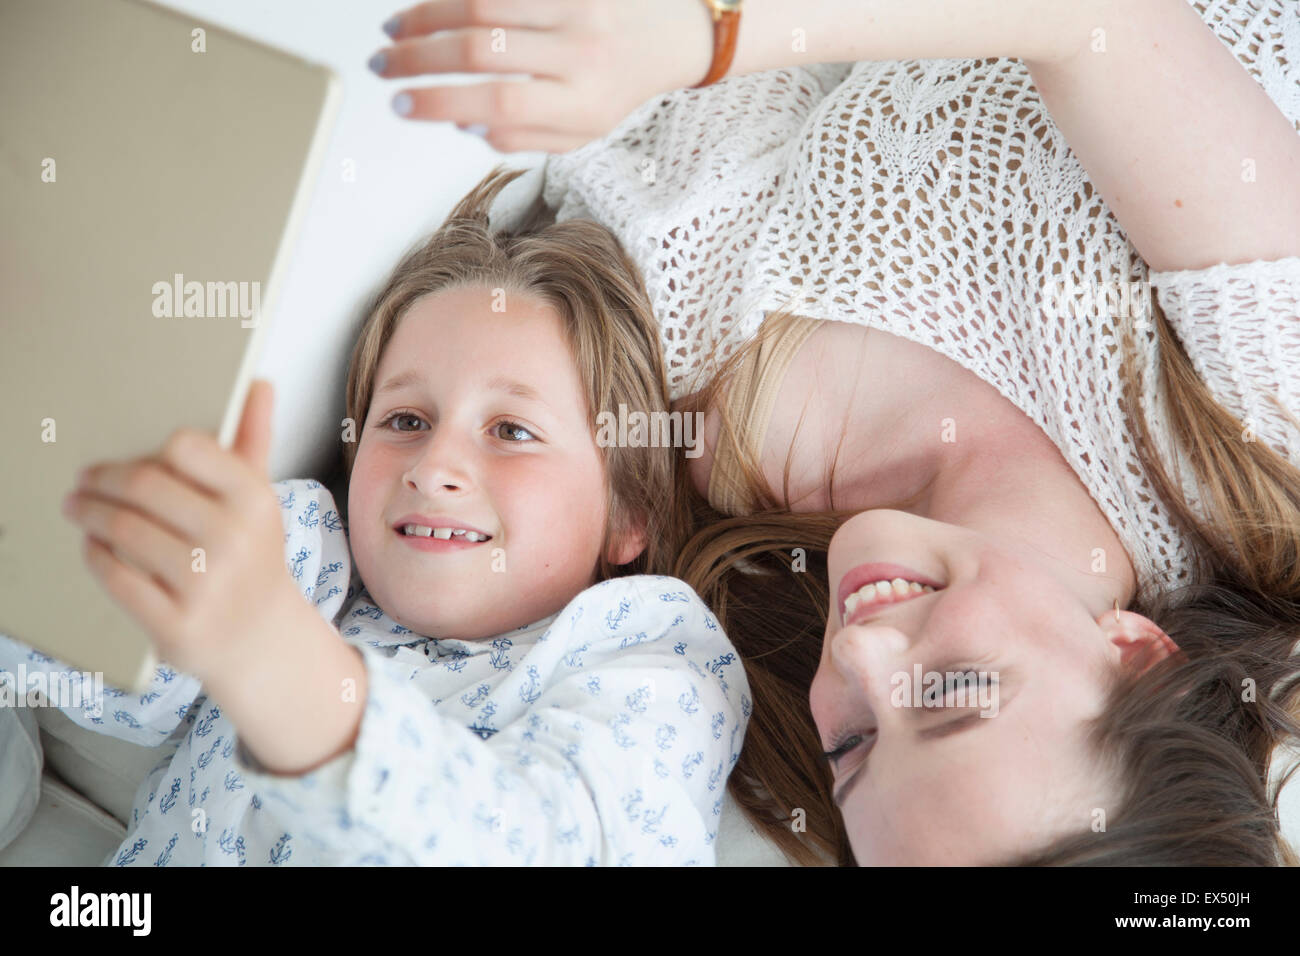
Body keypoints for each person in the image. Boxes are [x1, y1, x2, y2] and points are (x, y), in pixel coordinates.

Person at [371, 0, 1300, 864]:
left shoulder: (706, 505)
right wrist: (703, 35)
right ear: (1136, 653)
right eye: (952, 694)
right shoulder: (1250, 437)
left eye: (852, 745)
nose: (857, 654)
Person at [0, 167, 746, 865]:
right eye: (405, 420)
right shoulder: (300, 555)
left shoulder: (649, 658)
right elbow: (99, 660)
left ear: (630, 511)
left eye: (512, 431)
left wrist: (273, 656)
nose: (433, 467)